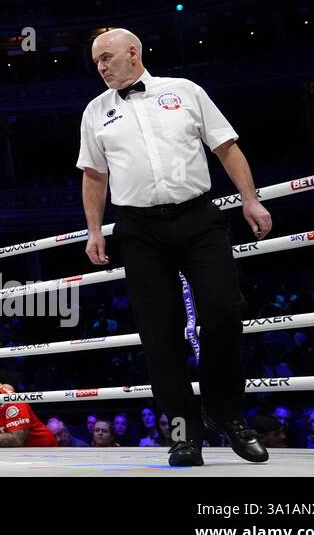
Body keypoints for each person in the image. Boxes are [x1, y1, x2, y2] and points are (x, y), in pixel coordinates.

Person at [78, 27, 271, 467]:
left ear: (133, 52)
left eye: (107, 57)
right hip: (138, 230)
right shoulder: (95, 111)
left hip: (199, 219)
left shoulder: (184, 91)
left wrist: (250, 198)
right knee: (159, 333)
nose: (101, 67)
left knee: (224, 309)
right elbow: (94, 175)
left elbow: (226, 146)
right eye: (96, 62)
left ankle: (227, 414)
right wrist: (94, 230)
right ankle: (185, 433)